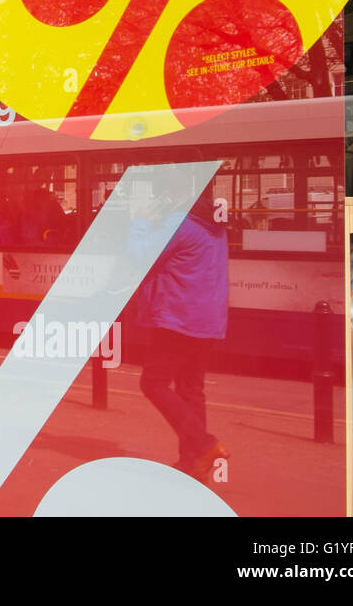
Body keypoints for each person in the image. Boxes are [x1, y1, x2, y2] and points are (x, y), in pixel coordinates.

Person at [130, 172, 230, 482]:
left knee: (153, 383)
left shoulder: (180, 226)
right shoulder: (212, 227)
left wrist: (141, 221)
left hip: (178, 319)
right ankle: (193, 462)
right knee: (191, 389)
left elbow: (140, 255)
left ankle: (204, 444)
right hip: (207, 319)